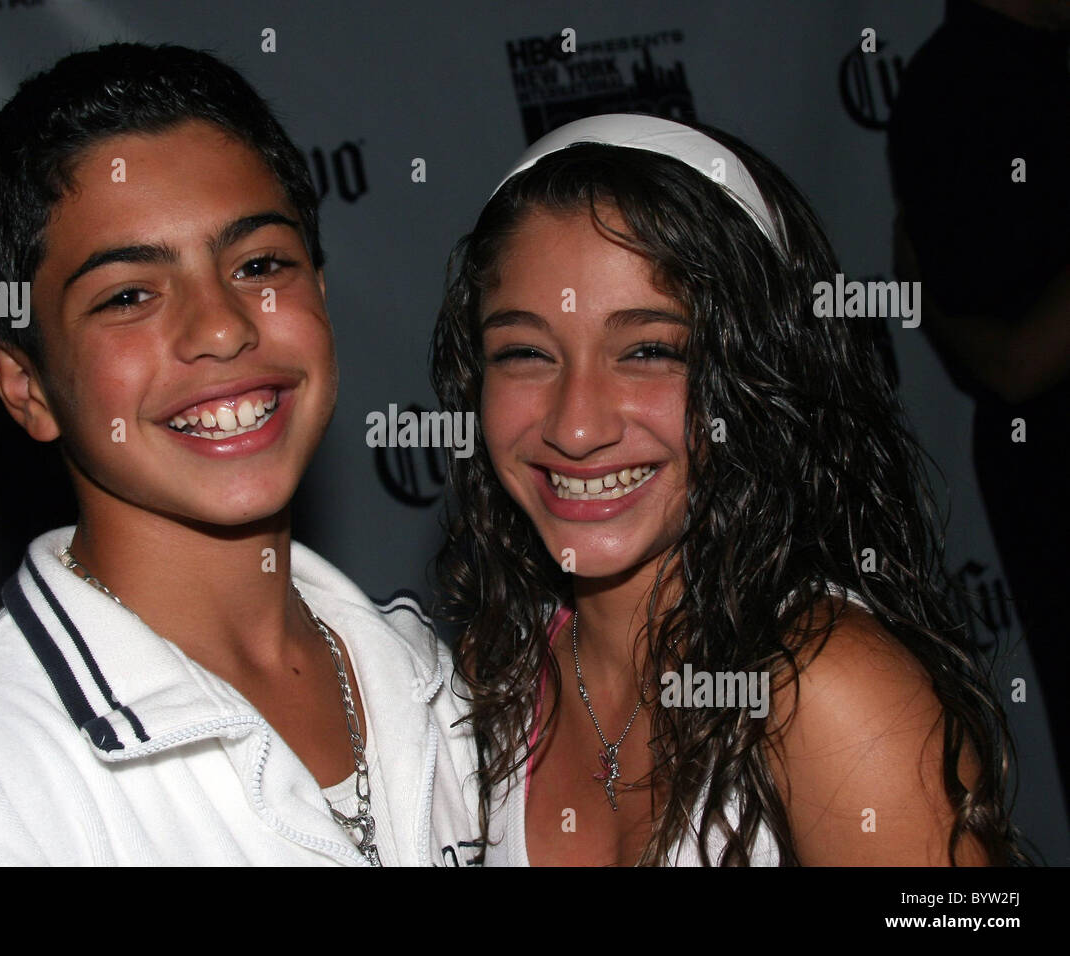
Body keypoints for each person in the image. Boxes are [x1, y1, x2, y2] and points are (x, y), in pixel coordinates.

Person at [0, 43, 480, 866]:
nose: (221, 326)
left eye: (260, 263)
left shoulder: (437, 684)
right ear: (25, 384)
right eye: (128, 295)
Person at [430, 114, 1026, 865]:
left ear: (757, 376)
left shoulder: (827, 692)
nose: (575, 427)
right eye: (525, 352)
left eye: (649, 350)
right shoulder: (502, 673)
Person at [888, 0, 1070, 824]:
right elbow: (1022, 363)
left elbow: (1011, 360)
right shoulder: (975, 87)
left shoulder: (938, 86)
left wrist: (931, 305)